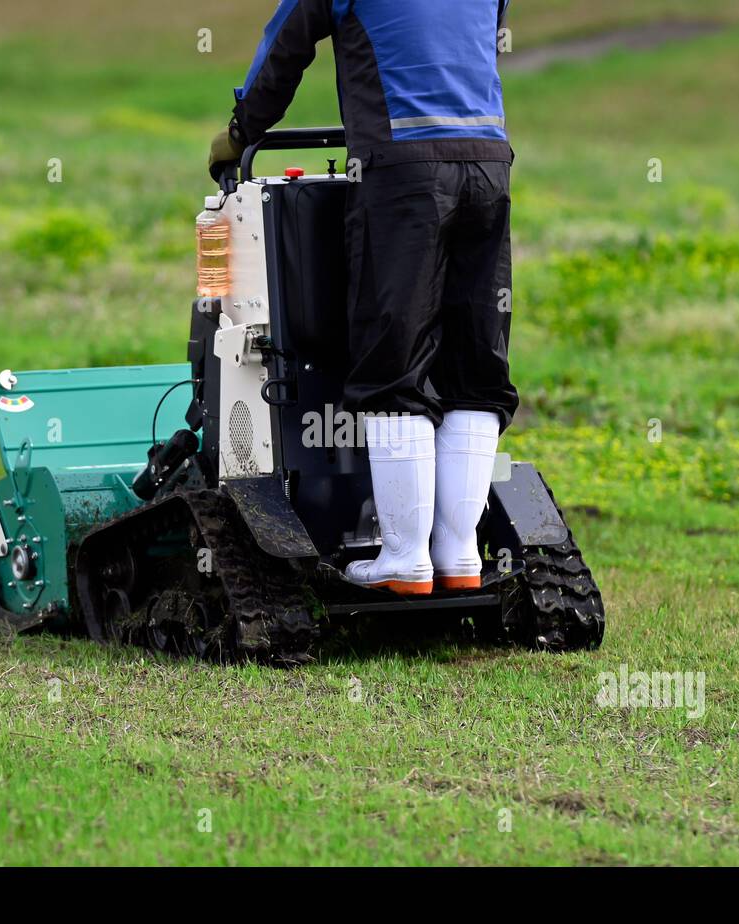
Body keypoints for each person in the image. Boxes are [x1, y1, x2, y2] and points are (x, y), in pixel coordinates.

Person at [209, 0, 520, 595]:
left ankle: (404, 558)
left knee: (391, 357)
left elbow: (285, 49)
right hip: (488, 162)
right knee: (475, 364)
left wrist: (241, 133)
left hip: (401, 170)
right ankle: (457, 556)